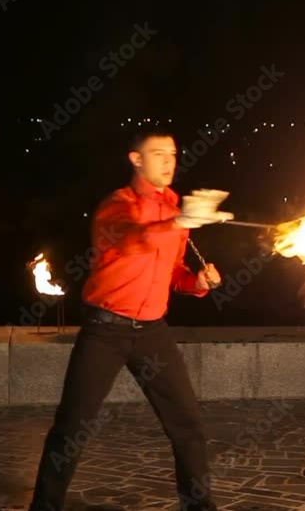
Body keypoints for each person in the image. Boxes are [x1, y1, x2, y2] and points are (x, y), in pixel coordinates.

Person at [26, 129, 233, 511]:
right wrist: (178, 221)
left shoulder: (174, 207)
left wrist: (198, 281)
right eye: (158, 154)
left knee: (188, 426)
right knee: (72, 428)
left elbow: (173, 270)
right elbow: (130, 239)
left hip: (152, 332)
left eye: (173, 153)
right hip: (105, 330)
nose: (170, 161)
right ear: (136, 159)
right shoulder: (116, 205)